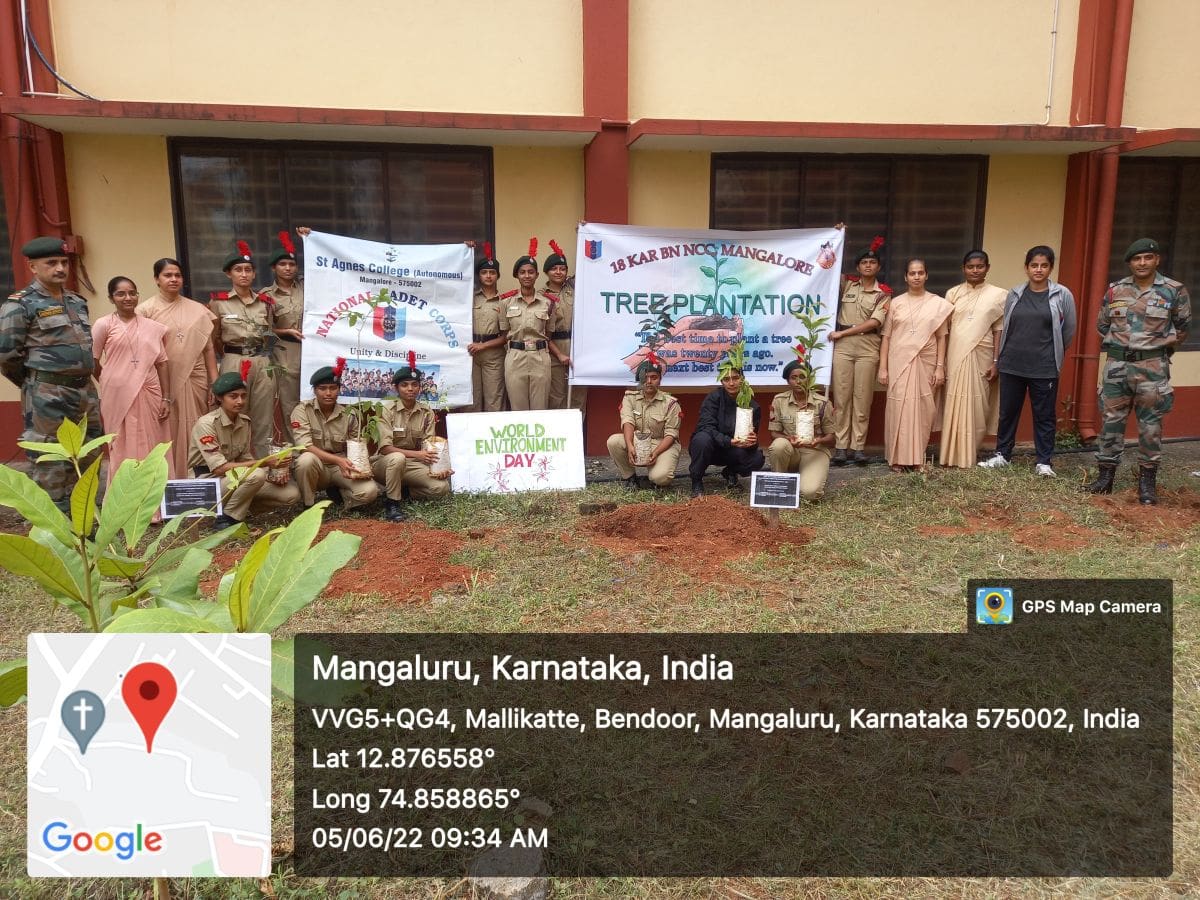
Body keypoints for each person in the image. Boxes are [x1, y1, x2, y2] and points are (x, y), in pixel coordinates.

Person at [1084, 238, 1191, 504]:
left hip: (1152, 368)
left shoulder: (1173, 291)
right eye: (1136, 259)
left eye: (1147, 258)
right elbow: (1102, 325)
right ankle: (1105, 479)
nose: (1142, 263)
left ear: (1157, 260)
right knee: (1111, 422)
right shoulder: (1115, 291)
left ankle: (1147, 484)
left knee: (1150, 427)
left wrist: (1156, 352)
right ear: (1130, 262)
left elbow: (1182, 328)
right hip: (1117, 366)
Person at [0, 236, 102, 510]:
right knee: (50, 457)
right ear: (33, 266)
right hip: (47, 395)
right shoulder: (20, 305)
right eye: (51, 262)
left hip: (85, 392)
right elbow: (7, 355)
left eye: (63, 262)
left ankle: (86, 520)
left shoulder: (76, 301)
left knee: (89, 452)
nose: (60, 268)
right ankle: (54, 524)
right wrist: (37, 382)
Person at [978, 246, 1077, 477]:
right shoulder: (1015, 293)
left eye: (1044, 265)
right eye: (1034, 265)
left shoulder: (1062, 295)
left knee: (1044, 415)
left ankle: (1043, 461)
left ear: (1051, 267)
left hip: (1044, 367)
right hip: (1012, 364)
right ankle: (1003, 454)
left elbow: (1068, 330)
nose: (1039, 270)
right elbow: (1007, 326)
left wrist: (1054, 353)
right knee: (1008, 412)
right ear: (1026, 267)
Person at [136, 257, 219, 479]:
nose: (173, 279)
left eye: (177, 275)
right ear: (156, 279)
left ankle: (198, 480)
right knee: (168, 430)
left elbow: (209, 349)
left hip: (196, 377)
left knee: (196, 427)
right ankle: (170, 481)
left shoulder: (198, 309)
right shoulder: (145, 310)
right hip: (164, 381)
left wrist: (215, 382)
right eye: (167, 275)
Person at [190, 366, 299, 529]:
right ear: (220, 398)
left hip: (234, 480)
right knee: (256, 474)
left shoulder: (244, 422)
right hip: (207, 483)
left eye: (243, 396)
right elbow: (219, 469)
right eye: (233, 396)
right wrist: (265, 462)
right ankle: (227, 520)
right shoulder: (206, 424)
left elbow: (245, 460)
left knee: (291, 494)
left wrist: (272, 474)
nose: (239, 401)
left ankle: (238, 509)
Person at [92, 276, 172, 489]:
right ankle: (124, 502)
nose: (128, 298)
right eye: (121, 294)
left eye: (132, 293)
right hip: (116, 395)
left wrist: (166, 397)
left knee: (153, 443)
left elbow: (162, 363)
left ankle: (155, 502)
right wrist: (112, 380)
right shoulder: (103, 325)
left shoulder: (153, 327)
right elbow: (92, 360)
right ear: (111, 298)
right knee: (120, 444)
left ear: (138, 296)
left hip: (150, 391)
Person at [878, 258, 953, 471]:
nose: (917, 276)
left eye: (920, 272)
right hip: (898, 362)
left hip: (926, 362)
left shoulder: (937, 304)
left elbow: (942, 338)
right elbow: (887, 337)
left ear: (926, 275)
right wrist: (883, 367)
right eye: (912, 273)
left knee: (922, 410)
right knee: (898, 408)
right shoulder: (895, 303)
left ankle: (917, 457)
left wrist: (940, 367)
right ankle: (897, 459)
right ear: (906, 277)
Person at [939, 250, 1008, 468]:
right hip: (956, 354)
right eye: (971, 267)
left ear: (987, 267)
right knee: (954, 400)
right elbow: (945, 330)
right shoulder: (953, 293)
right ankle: (950, 455)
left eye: (980, 266)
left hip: (983, 354)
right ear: (964, 268)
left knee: (979, 404)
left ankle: (971, 453)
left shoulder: (1000, 295)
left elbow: (999, 329)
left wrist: (996, 361)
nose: (975, 270)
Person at [210, 241, 276, 459]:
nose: (244, 274)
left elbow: (270, 334)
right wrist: (231, 355)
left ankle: (265, 466)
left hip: (261, 360)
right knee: (234, 414)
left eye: (248, 270)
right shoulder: (218, 303)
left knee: (263, 416)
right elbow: (215, 337)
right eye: (238, 270)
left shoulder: (265, 303)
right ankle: (234, 466)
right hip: (233, 359)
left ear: (254, 274)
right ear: (229, 274)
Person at [828, 237, 891, 466]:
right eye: (863, 262)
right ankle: (841, 447)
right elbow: (828, 269)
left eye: (872, 262)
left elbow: (875, 322)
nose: (867, 265)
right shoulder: (847, 285)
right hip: (843, 349)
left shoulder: (883, 293)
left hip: (866, 347)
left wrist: (843, 333)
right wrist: (834, 238)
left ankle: (858, 447)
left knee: (863, 399)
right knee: (842, 398)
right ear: (857, 266)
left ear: (878, 267)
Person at [291, 363, 380, 514]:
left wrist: (356, 466)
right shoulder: (302, 410)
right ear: (314, 390)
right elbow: (304, 445)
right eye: (322, 388)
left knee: (370, 491)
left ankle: (342, 496)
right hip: (316, 467)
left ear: (339, 389)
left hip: (339, 468)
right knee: (306, 459)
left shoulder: (349, 414)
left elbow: (355, 447)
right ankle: (308, 507)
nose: (328, 393)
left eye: (333, 388)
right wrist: (339, 461)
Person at [371, 356, 452, 522]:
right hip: (385, 463)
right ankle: (392, 504)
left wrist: (440, 467)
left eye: (414, 385)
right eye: (404, 385)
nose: (410, 389)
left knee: (441, 487)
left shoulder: (426, 412)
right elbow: (385, 448)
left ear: (419, 388)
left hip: (412, 465)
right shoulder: (386, 411)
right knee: (397, 458)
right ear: (396, 388)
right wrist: (418, 455)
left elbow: (429, 447)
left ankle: (401, 492)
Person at [498, 239, 568, 410]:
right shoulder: (506, 302)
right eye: (522, 272)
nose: (527, 276)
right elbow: (504, 333)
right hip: (515, 357)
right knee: (518, 408)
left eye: (531, 272)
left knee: (540, 408)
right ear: (517, 275)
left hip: (540, 357)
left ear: (537, 275)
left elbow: (548, 335)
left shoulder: (548, 303)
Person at [605, 352, 682, 490]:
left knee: (661, 478)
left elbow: (671, 434)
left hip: (662, 444)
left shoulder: (671, 403)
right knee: (614, 441)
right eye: (645, 378)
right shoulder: (630, 398)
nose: (649, 382)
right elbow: (628, 421)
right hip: (637, 441)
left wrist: (657, 452)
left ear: (660, 380)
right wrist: (629, 446)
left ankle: (654, 478)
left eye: (654, 378)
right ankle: (630, 477)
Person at [689, 362, 764, 497]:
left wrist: (753, 442)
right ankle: (696, 480)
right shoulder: (713, 398)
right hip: (710, 449)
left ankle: (730, 472)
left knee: (757, 459)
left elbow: (751, 437)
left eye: (735, 378)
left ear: (742, 379)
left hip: (733, 451)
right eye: (726, 379)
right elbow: (706, 427)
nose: (731, 383)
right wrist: (728, 441)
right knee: (701, 439)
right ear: (722, 382)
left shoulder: (752, 405)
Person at [766, 360, 836, 500]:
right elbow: (774, 433)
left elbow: (832, 438)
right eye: (793, 377)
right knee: (779, 445)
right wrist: (789, 439)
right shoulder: (779, 401)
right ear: (788, 381)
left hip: (815, 451)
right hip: (790, 450)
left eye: (802, 377)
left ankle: (806, 476)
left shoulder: (822, 403)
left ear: (809, 379)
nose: (798, 381)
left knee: (810, 494)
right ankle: (781, 486)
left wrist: (818, 440)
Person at [265, 231, 305, 443]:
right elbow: (264, 328)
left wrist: (310, 238)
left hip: (314, 351)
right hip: (286, 352)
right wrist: (286, 331)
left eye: (292, 264)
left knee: (317, 399)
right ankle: (297, 451)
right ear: (274, 268)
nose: (288, 268)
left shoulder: (309, 286)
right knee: (291, 404)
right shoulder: (266, 296)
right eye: (282, 264)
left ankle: (319, 452)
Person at [544, 239, 585, 416]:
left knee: (578, 398)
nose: (558, 272)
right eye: (554, 268)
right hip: (554, 350)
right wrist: (559, 354)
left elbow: (592, 267)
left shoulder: (577, 289)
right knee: (556, 398)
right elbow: (542, 332)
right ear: (547, 272)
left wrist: (584, 232)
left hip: (579, 349)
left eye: (562, 268)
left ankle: (576, 439)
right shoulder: (541, 297)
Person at [467, 243, 508, 412]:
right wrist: (465, 251)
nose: (488, 276)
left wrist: (483, 345)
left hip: (494, 355)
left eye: (492, 272)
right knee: (471, 400)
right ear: (478, 276)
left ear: (498, 276)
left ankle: (492, 436)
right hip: (470, 354)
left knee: (494, 400)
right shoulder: (469, 298)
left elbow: (506, 335)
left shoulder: (505, 301)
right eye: (484, 272)